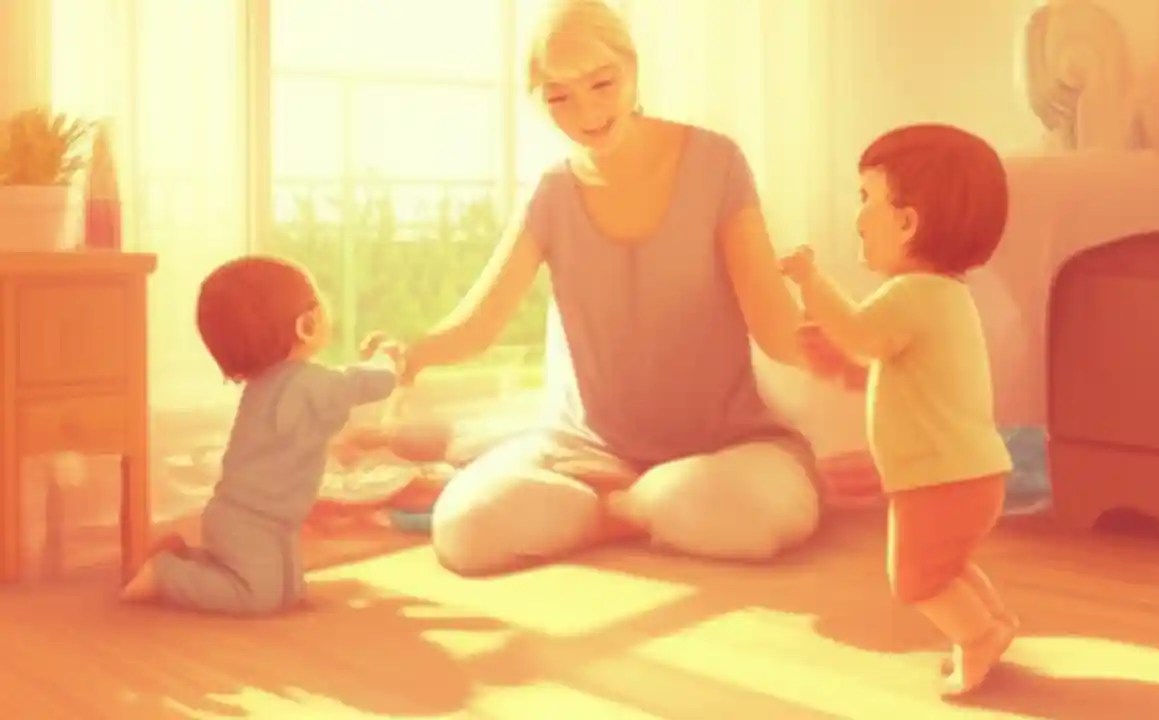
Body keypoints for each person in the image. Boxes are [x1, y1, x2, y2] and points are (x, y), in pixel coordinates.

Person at [401, 0, 826, 575]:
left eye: (603, 83)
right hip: (582, 452)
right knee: (463, 530)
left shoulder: (717, 162)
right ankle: (634, 509)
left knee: (748, 512)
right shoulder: (550, 193)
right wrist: (411, 355)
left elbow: (774, 326)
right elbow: (481, 322)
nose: (586, 112)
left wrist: (848, 347)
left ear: (632, 68)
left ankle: (625, 508)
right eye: (558, 96)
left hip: (723, 447)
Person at [779, 123, 1017, 697]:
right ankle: (992, 625)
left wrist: (810, 280)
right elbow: (899, 375)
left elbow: (860, 333)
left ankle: (978, 636)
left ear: (908, 222)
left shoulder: (912, 295)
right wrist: (843, 370)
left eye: (866, 200)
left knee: (914, 578)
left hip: (940, 479)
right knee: (945, 565)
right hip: (970, 475)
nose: (857, 217)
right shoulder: (945, 299)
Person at [119, 256, 403, 614]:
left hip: (267, 517)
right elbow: (358, 384)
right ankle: (166, 574)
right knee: (258, 596)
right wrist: (387, 360)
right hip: (248, 520)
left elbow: (309, 426)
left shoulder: (269, 385)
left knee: (287, 591)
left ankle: (191, 559)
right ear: (308, 324)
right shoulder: (304, 383)